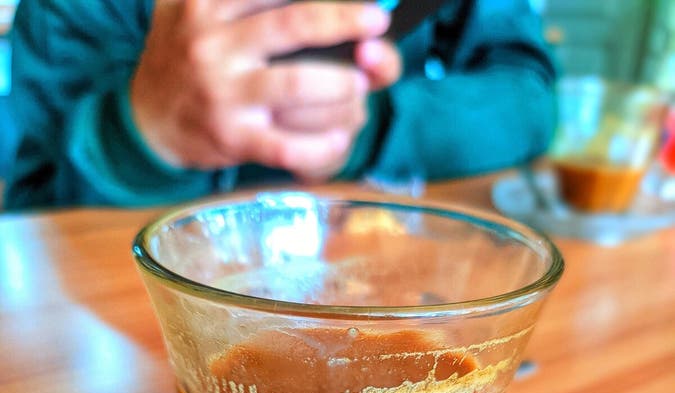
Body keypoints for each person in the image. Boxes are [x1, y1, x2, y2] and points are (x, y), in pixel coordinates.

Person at [5, 0, 556, 209]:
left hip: (381, 285)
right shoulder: (69, 12)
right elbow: (31, 216)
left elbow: (528, 95)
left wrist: (365, 131)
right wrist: (141, 133)